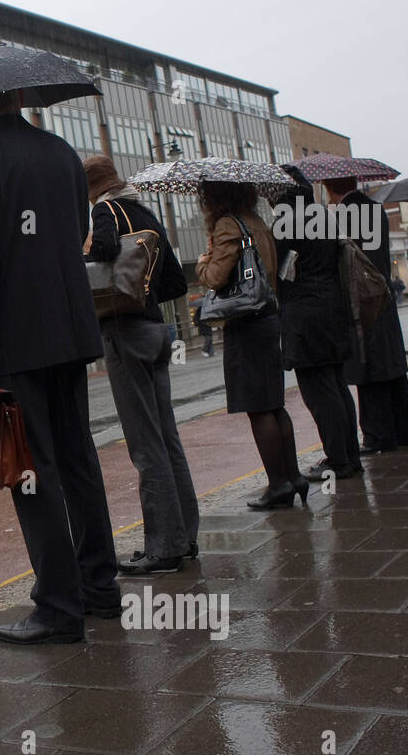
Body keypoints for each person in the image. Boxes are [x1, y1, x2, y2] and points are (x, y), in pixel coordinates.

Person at [0, 89, 119, 643]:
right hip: (69, 326)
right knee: (78, 458)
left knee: (31, 468)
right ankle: (100, 588)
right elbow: (75, 233)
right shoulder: (62, 152)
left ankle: (57, 608)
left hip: (17, 336)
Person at [83, 154, 199, 575]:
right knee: (168, 438)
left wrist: (87, 249)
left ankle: (163, 548)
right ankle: (185, 538)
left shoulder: (104, 210)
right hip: (157, 331)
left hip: (125, 333)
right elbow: (175, 282)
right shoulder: (146, 212)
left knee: (144, 444)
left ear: (93, 189)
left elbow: (106, 249)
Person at [196, 181, 308, 509]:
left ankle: (277, 485)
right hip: (268, 317)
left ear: (214, 196)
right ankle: (294, 476)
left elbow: (216, 277)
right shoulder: (257, 222)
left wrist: (204, 260)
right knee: (274, 404)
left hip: (245, 323)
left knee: (259, 408)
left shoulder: (228, 224)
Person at [271, 166, 362, 482]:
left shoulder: (286, 222)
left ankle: (338, 461)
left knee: (320, 393)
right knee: (337, 386)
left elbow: (275, 271)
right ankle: (350, 455)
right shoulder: (323, 215)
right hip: (333, 308)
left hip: (305, 315)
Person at [323, 175, 408, 452]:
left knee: (368, 366)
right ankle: (404, 431)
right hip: (382, 293)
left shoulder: (343, 216)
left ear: (329, 188)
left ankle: (378, 435)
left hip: (359, 297)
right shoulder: (375, 209)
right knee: (391, 365)